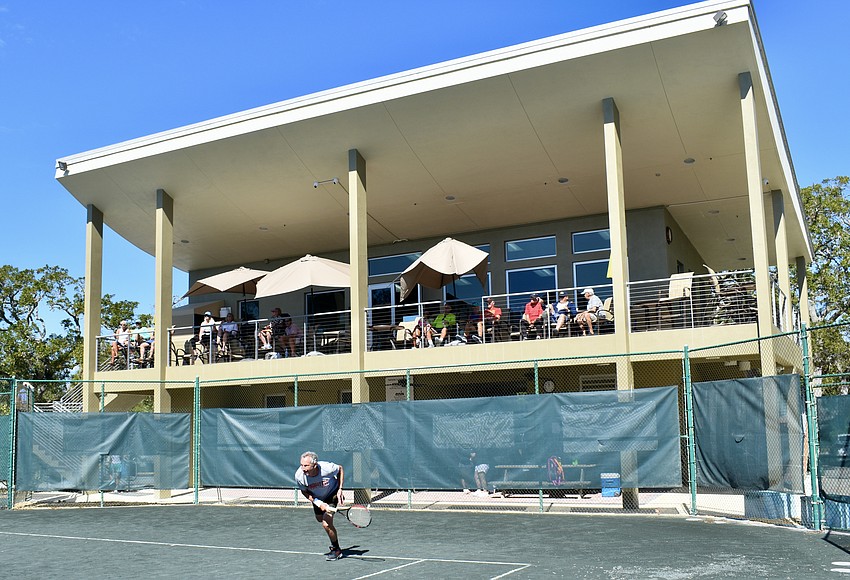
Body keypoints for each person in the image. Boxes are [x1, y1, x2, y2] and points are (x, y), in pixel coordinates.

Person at [296, 451, 345, 561]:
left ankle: (336, 550)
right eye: (301, 465)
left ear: (315, 465)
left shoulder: (327, 468)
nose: (303, 468)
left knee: (326, 523)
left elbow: (340, 469)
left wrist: (340, 489)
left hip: (332, 493)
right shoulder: (299, 476)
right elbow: (304, 492)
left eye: (306, 466)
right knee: (319, 519)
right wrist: (318, 503)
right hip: (317, 498)